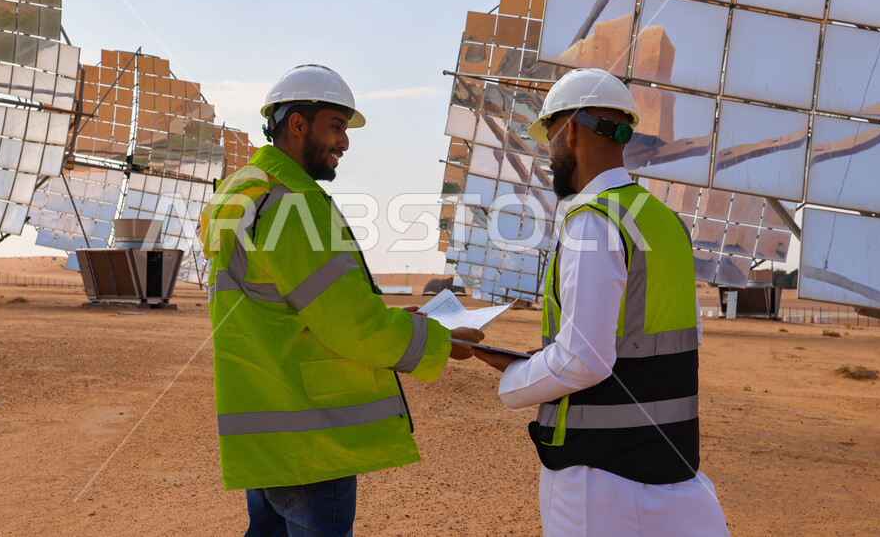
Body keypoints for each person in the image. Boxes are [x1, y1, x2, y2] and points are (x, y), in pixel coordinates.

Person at [199, 64, 483, 537]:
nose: (345, 142)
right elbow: (351, 325)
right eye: (336, 126)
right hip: (313, 439)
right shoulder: (294, 203)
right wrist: (436, 340)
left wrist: (403, 321)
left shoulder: (247, 195)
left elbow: (304, 309)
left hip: (272, 431)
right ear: (296, 125)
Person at [471, 68, 730, 536]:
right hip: (675, 470)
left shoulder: (591, 221)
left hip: (598, 479)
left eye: (548, 136)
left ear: (568, 130)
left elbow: (583, 360)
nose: (548, 156)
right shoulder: (663, 221)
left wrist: (512, 378)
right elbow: (651, 336)